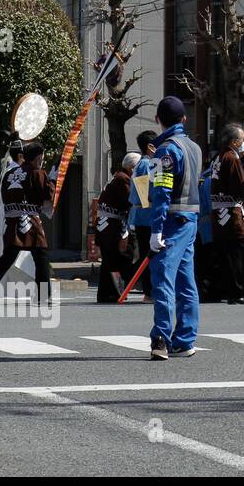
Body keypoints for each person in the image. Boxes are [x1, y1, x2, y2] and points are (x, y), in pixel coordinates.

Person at [148, 96, 203, 360]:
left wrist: (155, 230)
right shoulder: (194, 148)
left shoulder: (165, 151)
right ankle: (186, 338)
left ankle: (161, 339)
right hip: (191, 219)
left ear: (158, 120)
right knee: (186, 281)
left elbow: (162, 191)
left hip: (171, 220)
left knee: (163, 279)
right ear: (184, 119)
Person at [0, 141, 55, 305]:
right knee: (41, 255)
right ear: (37, 158)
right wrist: (53, 182)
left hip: (11, 219)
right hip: (30, 220)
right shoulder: (37, 172)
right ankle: (43, 296)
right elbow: (47, 195)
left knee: (6, 258)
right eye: (41, 158)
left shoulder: (10, 174)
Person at [209, 123, 244, 305]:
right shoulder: (232, 159)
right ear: (235, 142)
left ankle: (225, 290)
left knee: (225, 254)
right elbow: (238, 187)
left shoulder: (219, 157)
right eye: (242, 139)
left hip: (219, 212)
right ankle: (236, 292)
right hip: (231, 213)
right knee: (235, 254)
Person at [96, 153, 138, 303]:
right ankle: (113, 292)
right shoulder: (123, 179)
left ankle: (107, 293)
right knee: (118, 258)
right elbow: (129, 201)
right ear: (132, 168)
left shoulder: (117, 177)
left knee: (109, 260)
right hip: (111, 224)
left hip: (105, 224)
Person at [127, 129, 159, 301]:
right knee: (150, 255)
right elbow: (147, 193)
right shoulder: (147, 164)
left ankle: (148, 291)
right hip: (147, 215)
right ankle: (149, 291)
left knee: (147, 254)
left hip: (140, 215)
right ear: (150, 146)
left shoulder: (140, 164)